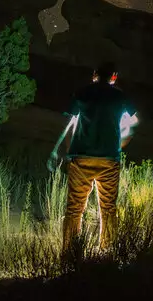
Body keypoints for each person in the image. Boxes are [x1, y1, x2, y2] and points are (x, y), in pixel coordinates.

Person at [48, 61, 138, 250]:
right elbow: (136, 121)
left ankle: (70, 252)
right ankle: (106, 252)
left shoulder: (82, 93)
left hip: (81, 157)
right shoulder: (120, 97)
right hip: (109, 159)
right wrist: (122, 142)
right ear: (114, 76)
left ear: (94, 74)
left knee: (74, 209)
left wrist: (68, 149)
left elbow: (67, 120)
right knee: (108, 209)